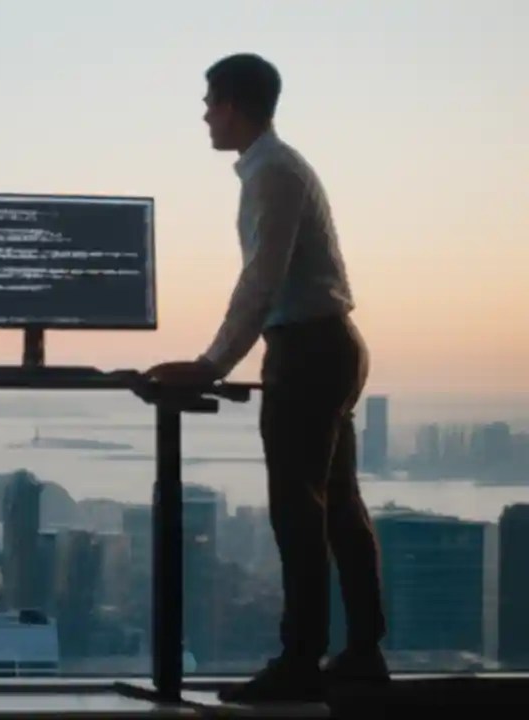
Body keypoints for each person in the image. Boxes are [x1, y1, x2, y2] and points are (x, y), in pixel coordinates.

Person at [145, 53, 390, 703]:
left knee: (297, 512)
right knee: (337, 507)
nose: (203, 114)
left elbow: (263, 279)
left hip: (309, 350)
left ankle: (301, 661)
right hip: (328, 344)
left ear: (233, 103)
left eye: (209, 101)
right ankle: (362, 651)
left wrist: (209, 364)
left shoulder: (271, 173)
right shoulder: (278, 167)